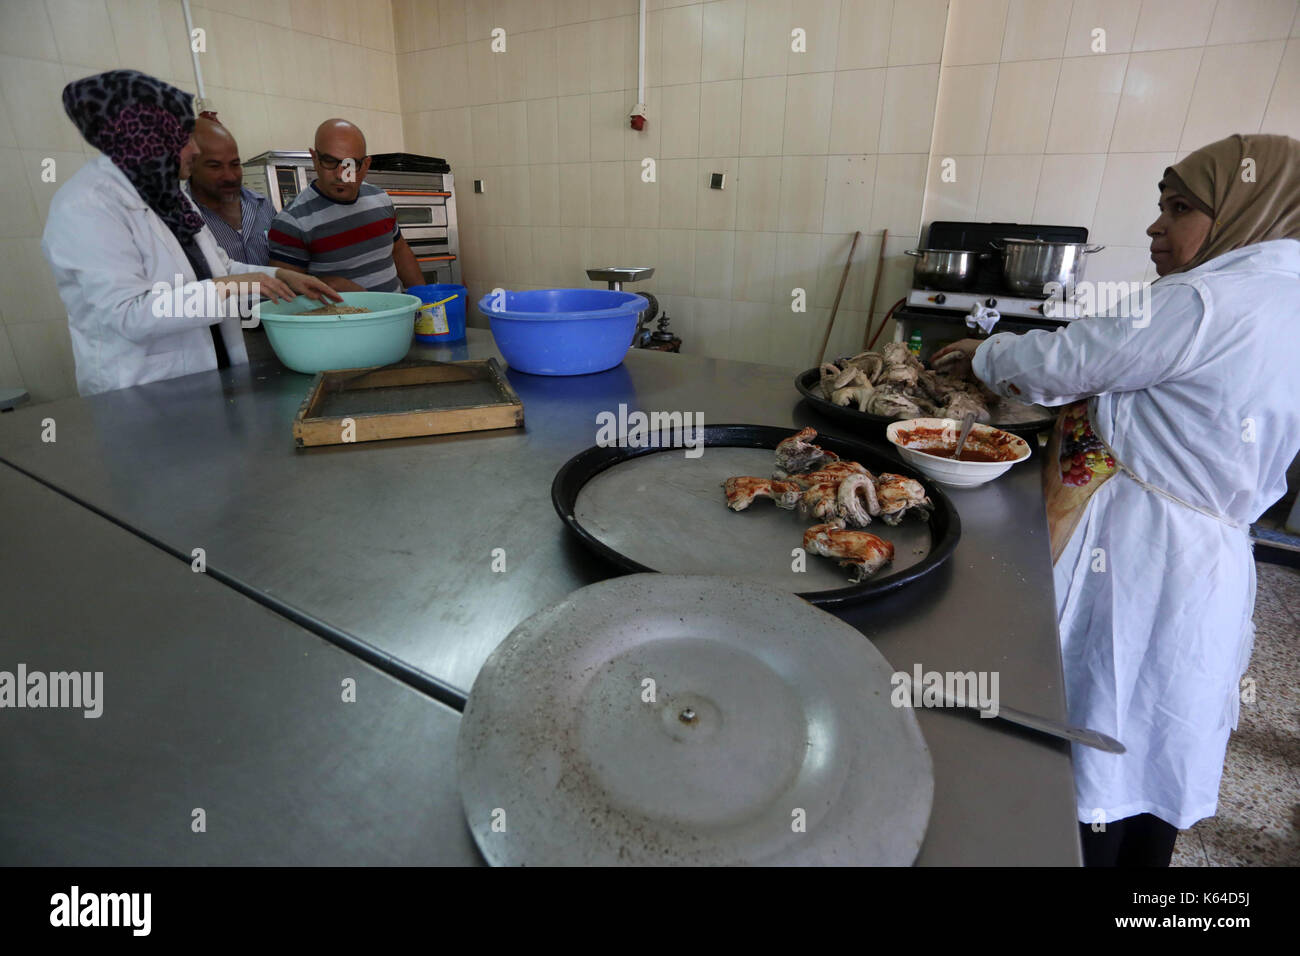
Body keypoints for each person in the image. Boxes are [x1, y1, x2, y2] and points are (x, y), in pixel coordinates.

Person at [933, 134, 1300, 867]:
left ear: (1247, 207)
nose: (1156, 227)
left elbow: (1062, 366)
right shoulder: (1282, 286)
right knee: (1160, 733)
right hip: (1213, 556)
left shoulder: (1203, 297)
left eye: (1180, 208)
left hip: (1141, 550)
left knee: (1101, 720)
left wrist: (983, 352)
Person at [42, 70, 338, 397]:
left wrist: (279, 276)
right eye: (185, 137)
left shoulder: (171, 197)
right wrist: (225, 287)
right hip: (141, 391)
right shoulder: (87, 207)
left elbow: (222, 270)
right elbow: (128, 315)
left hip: (213, 376)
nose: (195, 150)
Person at [267, 118, 424, 292]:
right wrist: (327, 286)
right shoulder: (292, 223)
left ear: (365, 166)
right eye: (329, 161)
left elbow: (399, 252)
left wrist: (426, 302)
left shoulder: (380, 199)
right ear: (315, 159)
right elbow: (285, 296)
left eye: (350, 164)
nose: (340, 174)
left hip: (396, 317)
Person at [185, 116, 275, 267]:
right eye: (215, 166)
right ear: (190, 166)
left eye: (235, 164)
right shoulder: (182, 217)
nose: (230, 176)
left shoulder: (262, 206)